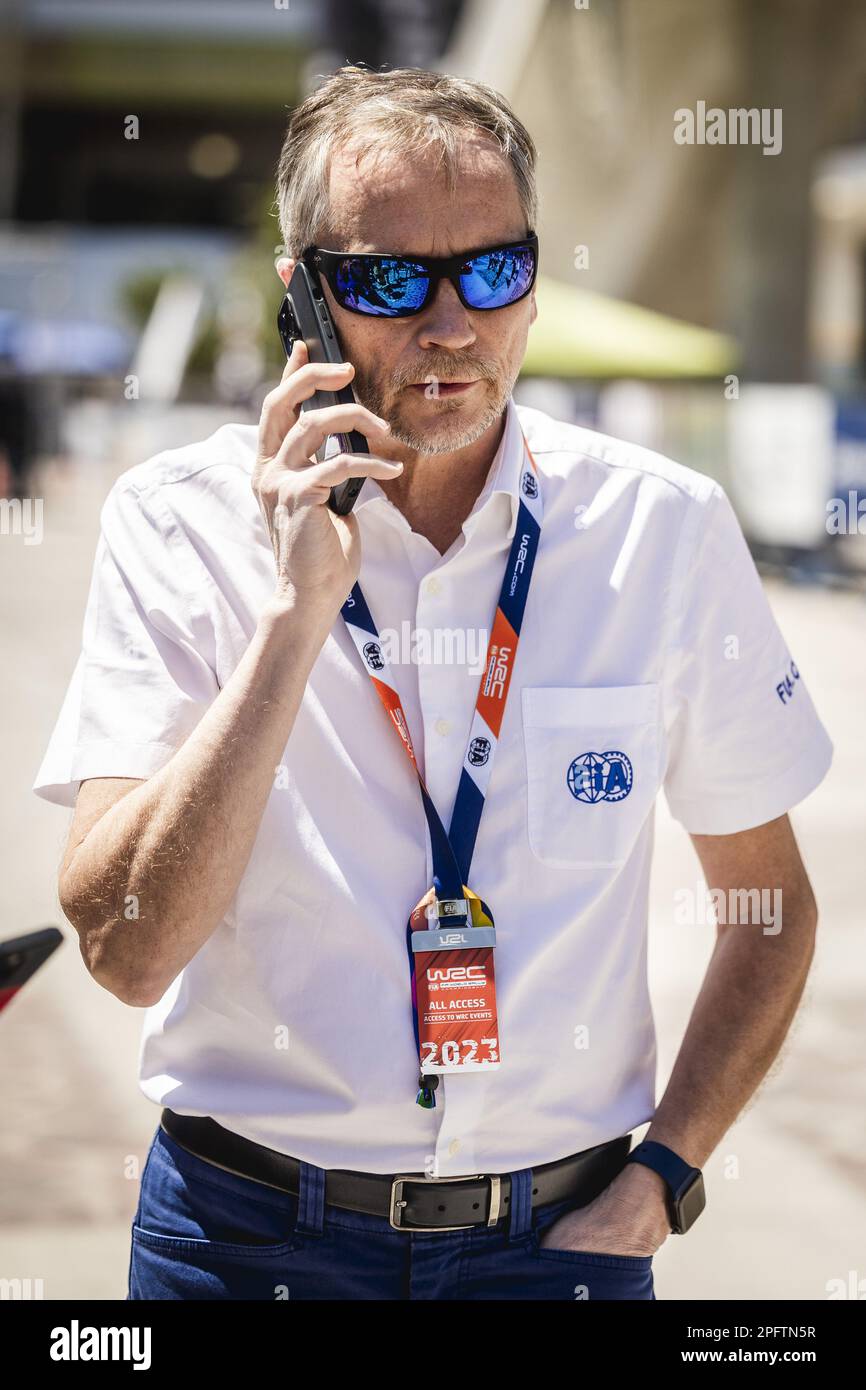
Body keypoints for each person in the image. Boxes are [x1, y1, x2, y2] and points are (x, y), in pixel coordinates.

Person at [33, 66, 832, 1302]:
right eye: (391, 281)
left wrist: (657, 1184)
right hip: (247, 1240)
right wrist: (294, 618)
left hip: (556, 1242)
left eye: (494, 271)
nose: (453, 324)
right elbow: (127, 953)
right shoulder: (178, 523)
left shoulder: (660, 526)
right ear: (303, 293)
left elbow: (768, 907)